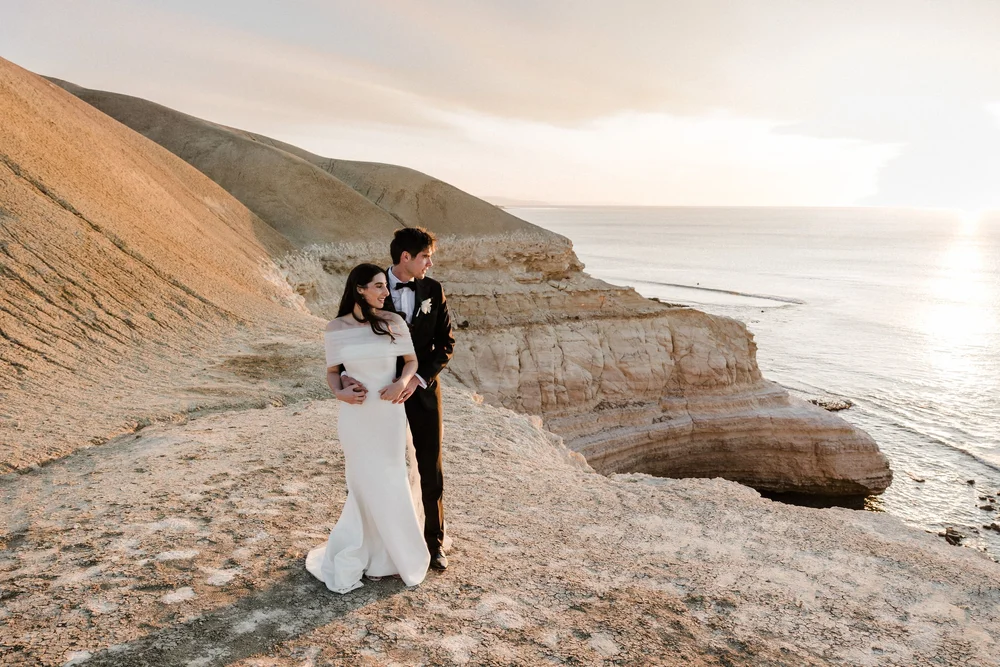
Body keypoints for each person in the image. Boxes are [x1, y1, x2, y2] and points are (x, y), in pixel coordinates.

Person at [305, 263, 430, 593]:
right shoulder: (335, 328)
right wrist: (340, 392)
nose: (385, 292)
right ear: (359, 289)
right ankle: (366, 553)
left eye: (385, 287)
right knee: (362, 484)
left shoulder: (393, 323)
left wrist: (401, 382)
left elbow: (412, 362)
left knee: (390, 478)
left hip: (389, 413)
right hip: (356, 418)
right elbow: (333, 372)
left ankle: (392, 556)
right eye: (378, 286)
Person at [343, 227, 455, 571]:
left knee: (430, 466)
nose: (430, 262)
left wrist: (418, 378)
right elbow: (351, 333)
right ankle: (377, 543)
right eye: (425, 256)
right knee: (379, 466)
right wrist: (348, 375)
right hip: (377, 393)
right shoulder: (372, 286)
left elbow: (445, 343)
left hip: (420, 391)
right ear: (405, 257)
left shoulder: (433, 290)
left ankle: (433, 543)